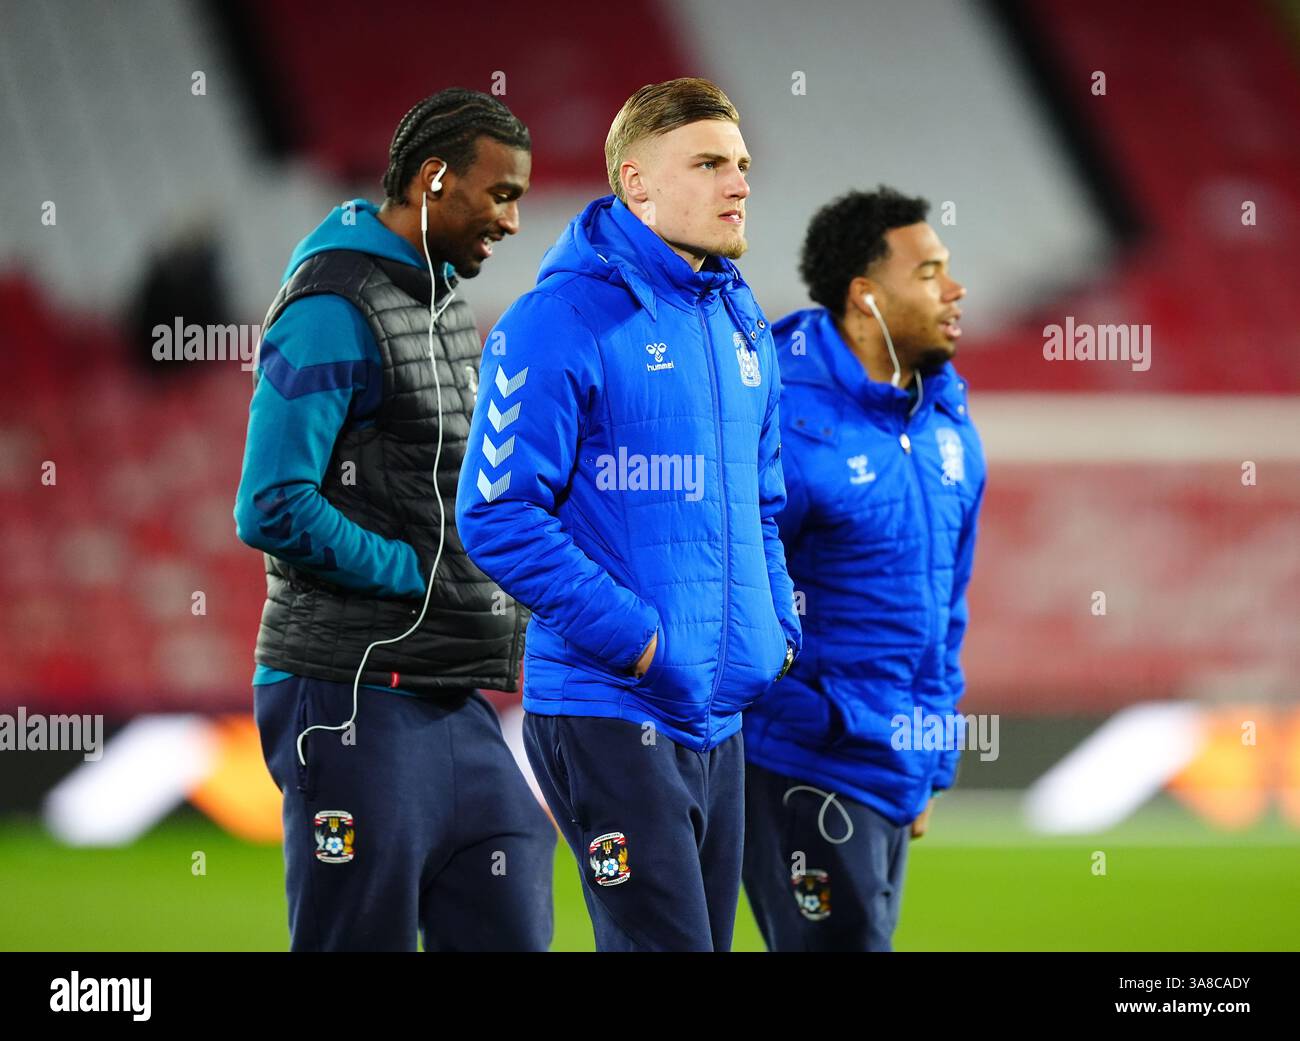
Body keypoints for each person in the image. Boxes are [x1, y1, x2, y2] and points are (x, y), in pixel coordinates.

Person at [455, 77, 801, 952]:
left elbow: (762, 501)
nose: (739, 184)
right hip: (612, 705)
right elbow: (498, 514)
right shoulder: (554, 320)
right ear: (637, 184)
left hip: (721, 714)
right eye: (711, 164)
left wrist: (778, 624)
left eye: (744, 165)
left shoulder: (740, 322)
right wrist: (643, 641)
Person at [233, 89, 554, 952]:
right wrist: (412, 576)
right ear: (435, 177)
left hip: (448, 696)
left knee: (514, 872)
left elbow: (444, 494)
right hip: (349, 690)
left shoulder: (443, 307)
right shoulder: (332, 307)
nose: (515, 220)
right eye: (501, 194)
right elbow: (270, 500)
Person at [741, 186, 985, 951]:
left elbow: (946, 606)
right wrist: (810, 716)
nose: (956, 289)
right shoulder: (776, 405)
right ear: (864, 295)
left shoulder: (947, 418)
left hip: (894, 760)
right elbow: (729, 586)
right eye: (931, 272)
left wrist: (930, 752)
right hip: (799, 759)